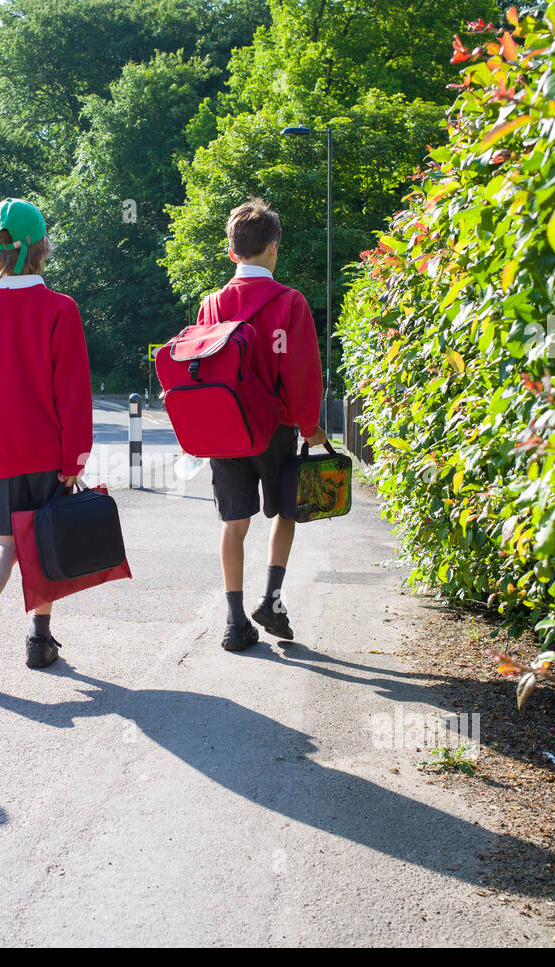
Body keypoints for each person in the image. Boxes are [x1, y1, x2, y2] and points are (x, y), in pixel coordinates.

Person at [0, 198, 93, 680]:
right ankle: (38, 640)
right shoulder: (59, 309)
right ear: (43, 246)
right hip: (48, 452)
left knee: (4, 542)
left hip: (1, 452)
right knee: (41, 545)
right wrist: (76, 456)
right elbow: (73, 390)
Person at [201, 197, 326, 651]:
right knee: (287, 512)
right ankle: (271, 599)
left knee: (233, 522)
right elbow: (302, 371)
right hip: (273, 429)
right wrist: (309, 425)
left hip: (224, 430)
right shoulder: (290, 302)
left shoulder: (211, 304)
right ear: (274, 247)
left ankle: (234, 623)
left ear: (232, 252)